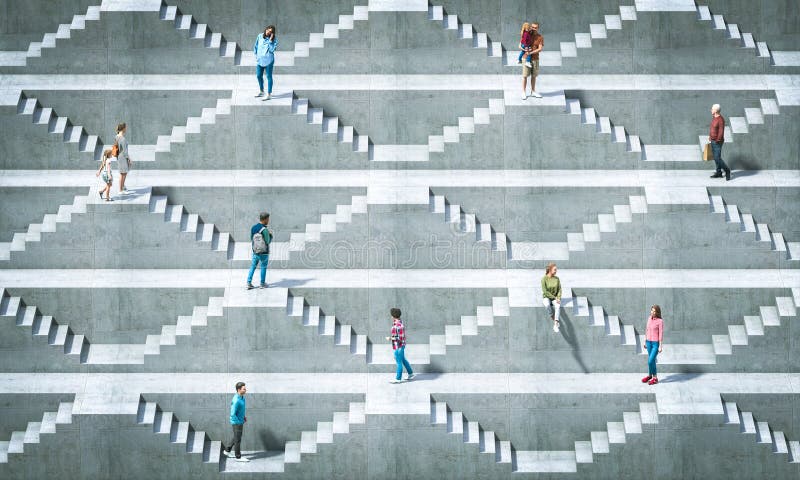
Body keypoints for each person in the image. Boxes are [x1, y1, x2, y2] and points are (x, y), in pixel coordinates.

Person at [386, 308, 415, 384]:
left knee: (399, 362)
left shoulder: (396, 325)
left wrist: (390, 338)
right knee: (403, 360)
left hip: (398, 346)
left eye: (391, 315)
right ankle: (411, 374)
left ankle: (398, 379)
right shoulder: (400, 322)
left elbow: (399, 338)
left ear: (393, 316)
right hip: (401, 345)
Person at [223, 382, 249, 462]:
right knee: (238, 440)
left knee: (236, 437)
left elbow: (240, 410)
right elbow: (232, 414)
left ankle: (227, 450)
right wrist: (238, 422)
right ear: (239, 390)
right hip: (237, 422)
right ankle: (238, 457)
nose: (245, 390)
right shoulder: (236, 400)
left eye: (245, 388)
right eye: (244, 389)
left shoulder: (242, 398)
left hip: (240, 420)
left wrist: (243, 417)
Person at [247, 212, 272, 290]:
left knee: (253, 266)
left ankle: (248, 283)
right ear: (265, 219)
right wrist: (271, 235)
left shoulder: (253, 228)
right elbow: (268, 241)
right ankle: (262, 284)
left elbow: (251, 239)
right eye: (268, 219)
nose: (268, 221)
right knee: (263, 267)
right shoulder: (264, 230)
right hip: (264, 252)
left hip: (255, 251)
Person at [253, 25, 278, 100]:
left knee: (269, 76)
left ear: (272, 33)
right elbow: (256, 45)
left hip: (269, 61)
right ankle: (262, 91)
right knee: (258, 75)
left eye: (270, 32)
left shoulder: (274, 40)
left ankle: (269, 94)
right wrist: (256, 55)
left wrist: (270, 40)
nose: (268, 32)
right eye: (267, 30)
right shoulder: (260, 36)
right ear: (266, 29)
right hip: (260, 60)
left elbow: (272, 50)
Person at [642, 305, 664, 385]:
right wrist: (645, 341)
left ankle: (655, 378)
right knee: (652, 361)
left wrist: (660, 346)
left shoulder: (660, 321)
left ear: (657, 312)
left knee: (650, 361)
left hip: (655, 344)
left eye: (654, 311)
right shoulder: (649, 318)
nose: (653, 312)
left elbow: (661, 334)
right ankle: (650, 376)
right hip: (648, 342)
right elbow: (647, 330)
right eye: (652, 310)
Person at [708, 104, 731, 181]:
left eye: (712, 109)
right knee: (716, 158)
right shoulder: (714, 118)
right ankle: (719, 173)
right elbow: (712, 128)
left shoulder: (721, 119)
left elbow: (721, 131)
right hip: (713, 140)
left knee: (717, 158)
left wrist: (718, 140)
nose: (711, 110)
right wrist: (710, 136)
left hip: (717, 141)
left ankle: (727, 170)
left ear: (716, 110)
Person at [522, 22, 544, 99]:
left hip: (535, 59)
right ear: (530, 27)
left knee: (534, 76)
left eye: (535, 27)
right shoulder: (526, 34)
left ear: (538, 28)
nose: (534, 29)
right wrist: (523, 49)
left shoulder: (540, 37)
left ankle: (533, 91)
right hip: (526, 58)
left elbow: (540, 49)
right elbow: (520, 44)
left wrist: (530, 53)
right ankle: (523, 92)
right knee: (525, 76)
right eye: (533, 27)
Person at [541, 262, 561, 333]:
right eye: (555, 269)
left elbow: (559, 289)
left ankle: (556, 323)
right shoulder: (544, 279)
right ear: (550, 270)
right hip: (546, 297)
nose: (556, 271)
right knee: (547, 305)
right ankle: (552, 316)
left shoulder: (557, 279)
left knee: (558, 306)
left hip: (555, 298)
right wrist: (555, 298)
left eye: (556, 270)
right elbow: (545, 291)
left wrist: (558, 298)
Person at [114, 123, 132, 194]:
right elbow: (125, 151)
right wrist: (129, 159)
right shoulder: (123, 139)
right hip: (123, 157)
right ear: (123, 128)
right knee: (123, 174)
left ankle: (123, 186)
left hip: (119, 156)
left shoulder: (116, 136)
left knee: (123, 173)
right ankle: (120, 190)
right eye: (125, 128)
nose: (126, 129)